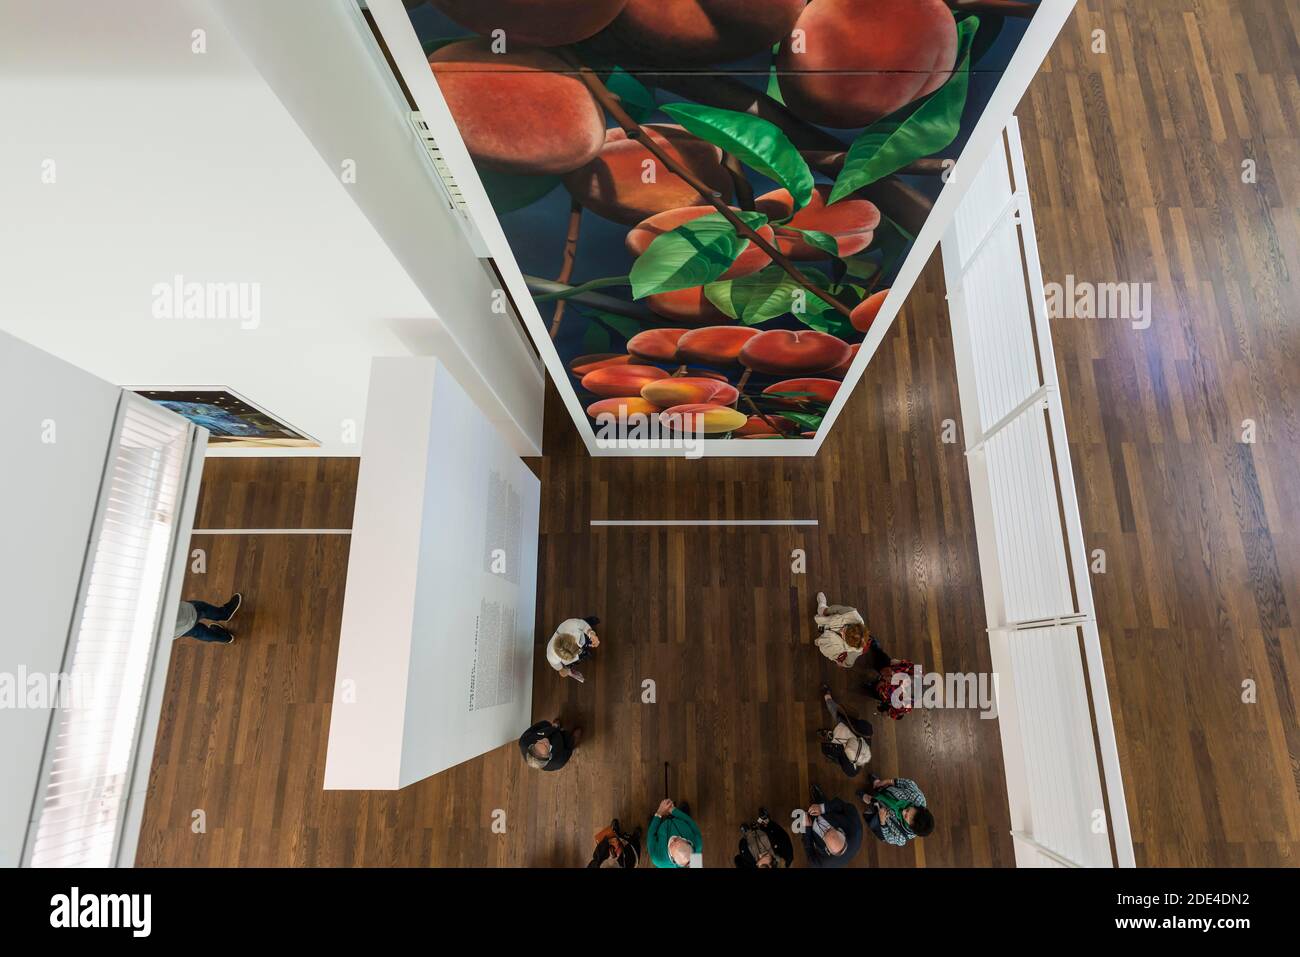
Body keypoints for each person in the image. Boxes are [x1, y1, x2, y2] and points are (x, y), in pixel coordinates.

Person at [858, 773, 933, 846]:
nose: (903, 811)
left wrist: (882, 822)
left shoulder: (901, 837)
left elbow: (888, 837)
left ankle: (868, 799)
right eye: (907, 810)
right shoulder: (918, 797)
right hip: (890, 791)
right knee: (881, 787)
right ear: (919, 808)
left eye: (906, 817)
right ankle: (877, 784)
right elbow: (909, 783)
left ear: (911, 828)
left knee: (874, 802)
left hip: (880, 809)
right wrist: (890, 781)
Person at [816, 685, 873, 777]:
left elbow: (841, 760)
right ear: (860, 741)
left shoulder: (850, 770)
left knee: (827, 747)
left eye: (846, 747)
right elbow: (854, 720)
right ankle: (828, 697)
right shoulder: (866, 730)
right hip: (845, 724)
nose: (846, 744)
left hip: (836, 746)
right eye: (849, 743)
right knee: (834, 710)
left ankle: (828, 736)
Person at [801, 784, 863, 868]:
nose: (826, 829)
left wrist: (807, 830)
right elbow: (844, 806)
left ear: (828, 850)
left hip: (812, 831)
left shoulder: (823, 864)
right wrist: (822, 808)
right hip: (828, 813)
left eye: (825, 834)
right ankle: (819, 797)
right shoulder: (855, 827)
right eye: (829, 829)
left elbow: (809, 850)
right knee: (822, 801)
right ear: (841, 832)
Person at [862, 636, 916, 720]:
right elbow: (906, 665)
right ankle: (876, 647)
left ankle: (870, 685)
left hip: (884, 688)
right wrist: (892, 670)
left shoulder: (904, 705)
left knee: (873, 691)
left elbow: (894, 713)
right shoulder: (913, 673)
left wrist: (887, 712)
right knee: (882, 660)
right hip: (891, 671)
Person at [813, 591, 867, 668]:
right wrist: (826, 611)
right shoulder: (851, 613)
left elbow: (849, 663)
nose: (842, 631)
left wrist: (841, 663)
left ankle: (819, 641)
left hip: (832, 641)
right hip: (831, 620)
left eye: (844, 635)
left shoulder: (856, 650)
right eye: (846, 628)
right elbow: (836, 609)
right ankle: (822, 604)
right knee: (821, 612)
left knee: (822, 640)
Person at [647, 798, 702, 868]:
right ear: (688, 842)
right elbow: (690, 822)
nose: (673, 838)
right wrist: (673, 810)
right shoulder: (698, 844)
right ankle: (681, 813)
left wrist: (659, 813)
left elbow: (651, 835)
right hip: (679, 821)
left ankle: (656, 820)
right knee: (684, 814)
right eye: (678, 839)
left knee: (652, 825)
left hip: (661, 828)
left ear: (673, 860)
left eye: (672, 844)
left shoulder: (658, 859)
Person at [546, 616, 600, 682]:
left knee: (584, 624)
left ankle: (590, 621)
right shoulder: (551, 656)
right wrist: (562, 670)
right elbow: (558, 667)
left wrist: (591, 633)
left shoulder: (571, 625)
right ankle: (584, 653)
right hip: (577, 649)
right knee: (582, 654)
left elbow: (584, 626)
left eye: (577, 649)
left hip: (582, 635)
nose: (579, 651)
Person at [174, 593, 242, 644]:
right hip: (183, 614)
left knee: (198, 632)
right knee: (202, 608)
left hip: (174, 632)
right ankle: (225, 614)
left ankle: (225, 638)